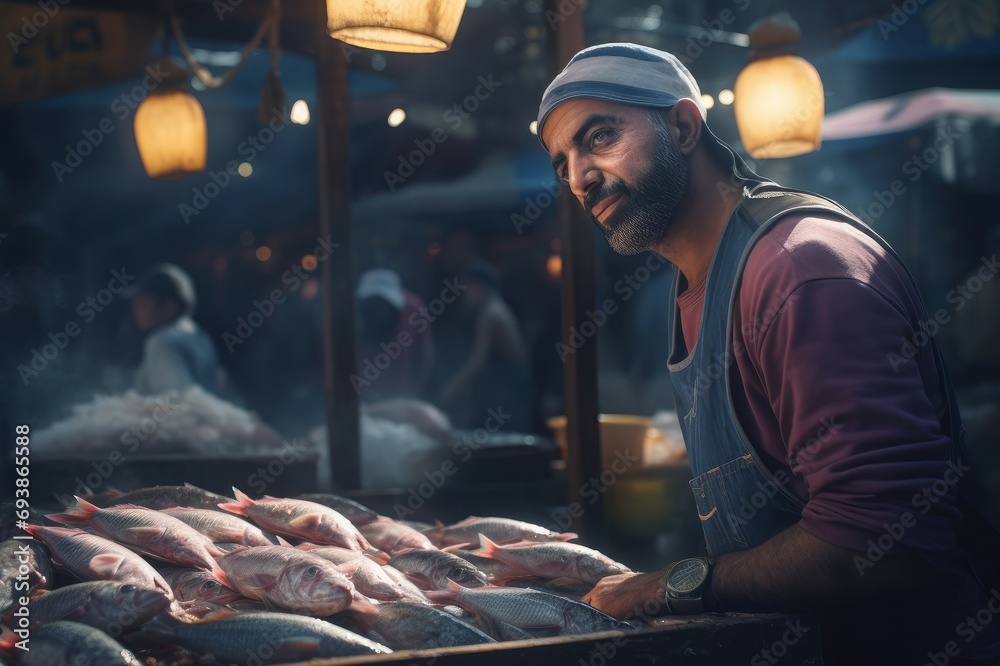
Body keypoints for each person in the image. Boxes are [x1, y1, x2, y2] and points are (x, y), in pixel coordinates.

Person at [537, 43, 1000, 665]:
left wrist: (669, 587)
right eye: (562, 163)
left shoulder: (796, 267)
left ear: (683, 127)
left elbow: (891, 538)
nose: (579, 178)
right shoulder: (696, 281)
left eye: (599, 137)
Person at [441, 261, 531, 431]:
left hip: (507, 390)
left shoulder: (490, 315)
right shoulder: (497, 309)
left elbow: (478, 362)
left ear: (479, 287)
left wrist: (452, 388)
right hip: (511, 387)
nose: (466, 294)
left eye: (469, 288)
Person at [128, 263, 222, 396]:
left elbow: (178, 400)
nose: (135, 309)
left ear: (170, 307)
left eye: (144, 303)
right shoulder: (201, 337)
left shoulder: (162, 342)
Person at [355, 268, 434, 401]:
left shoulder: (415, 312)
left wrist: (416, 390)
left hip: (403, 394)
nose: (379, 310)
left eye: (384, 304)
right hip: (361, 396)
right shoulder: (350, 314)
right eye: (374, 303)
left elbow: (425, 354)